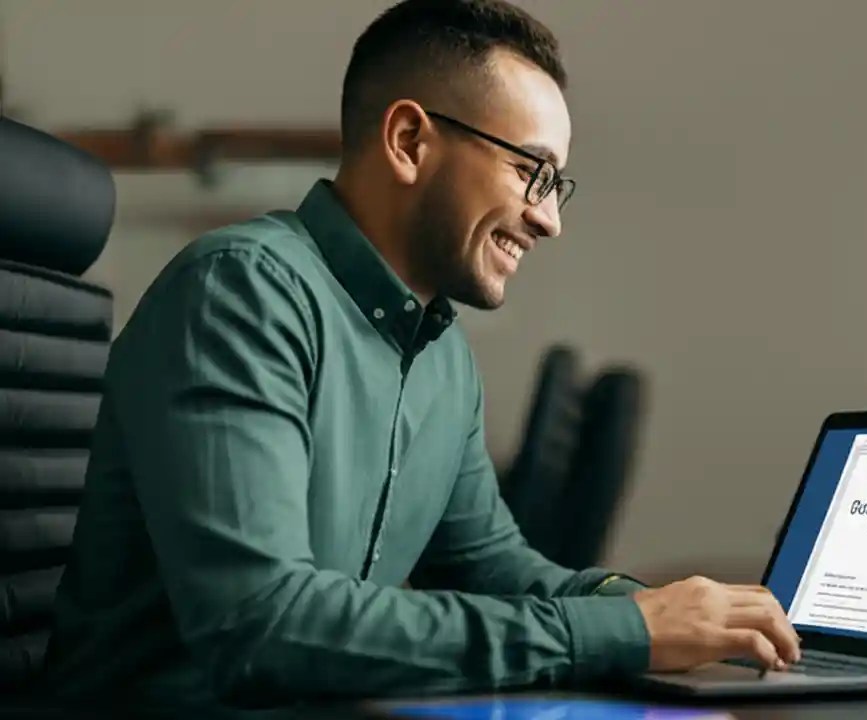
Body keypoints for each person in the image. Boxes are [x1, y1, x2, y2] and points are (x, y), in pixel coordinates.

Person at [43, 0, 800, 707]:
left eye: (556, 185)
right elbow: (260, 621)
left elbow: (496, 568)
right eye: (530, 171)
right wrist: (628, 632)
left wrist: (659, 612)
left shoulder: (441, 353)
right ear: (409, 142)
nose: (548, 220)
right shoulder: (241, 293)